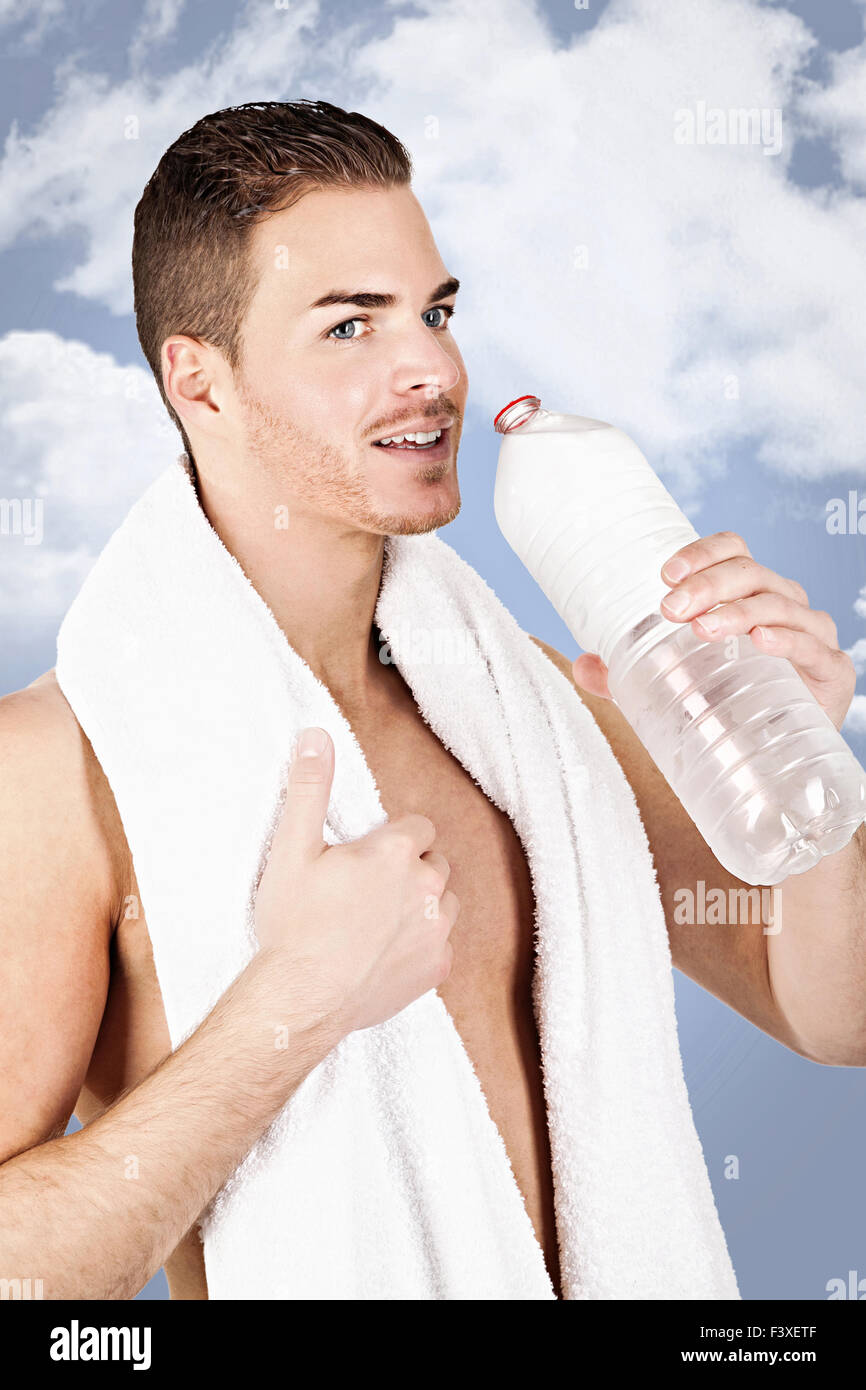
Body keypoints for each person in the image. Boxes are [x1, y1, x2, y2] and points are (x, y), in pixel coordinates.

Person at [1, 100, 863, 1302]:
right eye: (350, 324)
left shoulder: (530, 709)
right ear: (196, 380)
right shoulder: (54, 768)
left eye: (435, 312)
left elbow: (824, 1008)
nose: (432, 369)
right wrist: (294, 1003)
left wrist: (806, 764)